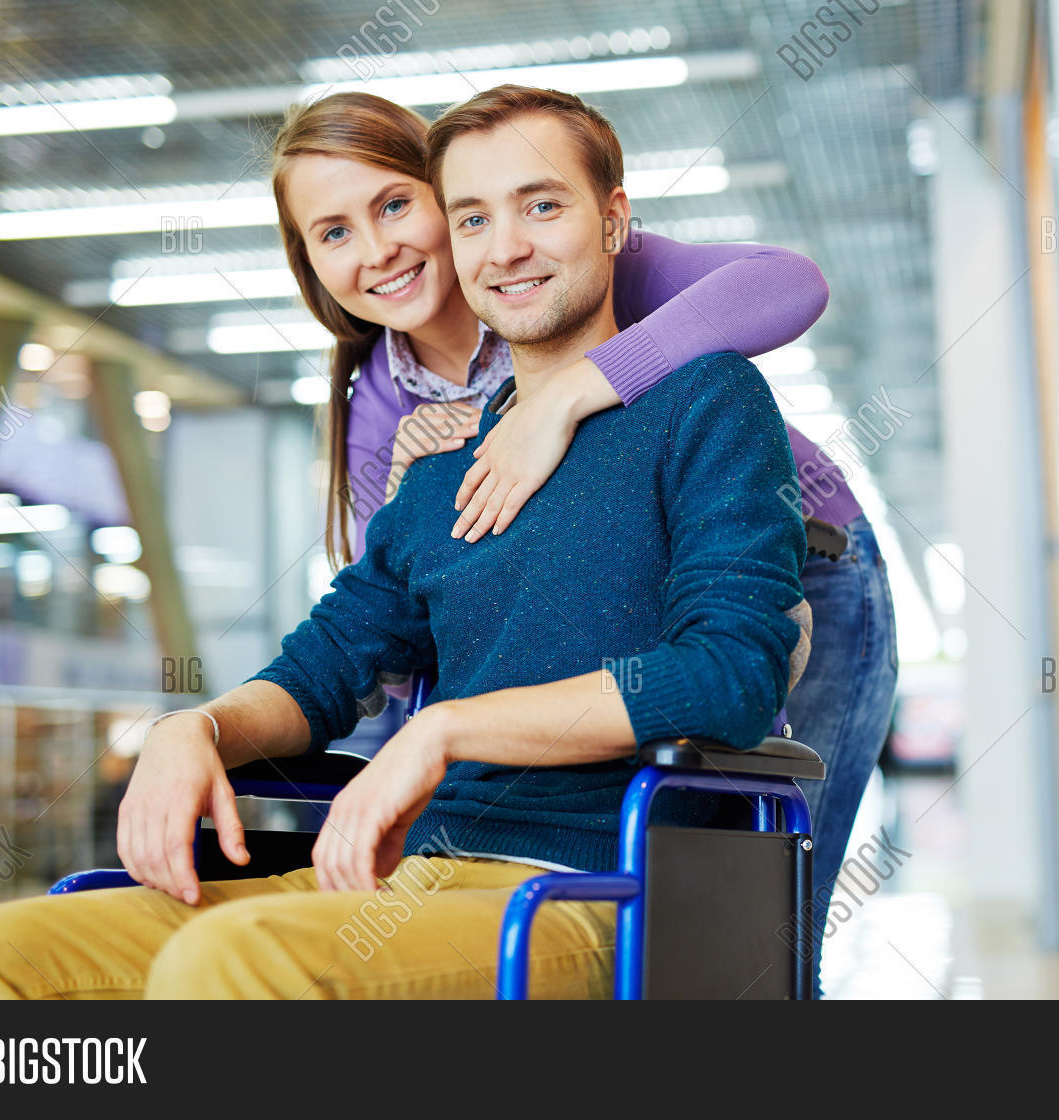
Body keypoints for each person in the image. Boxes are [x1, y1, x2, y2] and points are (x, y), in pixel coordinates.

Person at [0, 84, 806, 1000]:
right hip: (403, 882)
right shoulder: (433, 473)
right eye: (472, 219)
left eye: (542, 206)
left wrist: (445, 730)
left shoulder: (706, 400)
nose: (506, 247)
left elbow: (731, 673)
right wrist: (193, 728)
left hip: (590, 890)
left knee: (229, 961)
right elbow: (322, 669)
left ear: (614, 220)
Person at [274, 93, 898, 987]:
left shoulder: (591, 268)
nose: (378, 250)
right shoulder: (381, 399)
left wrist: (566, 396)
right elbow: (404, 625)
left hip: (801, 561)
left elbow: (790, 284)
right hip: (597, 663)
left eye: (394, 205)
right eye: (333, 233)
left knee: (759, 924)